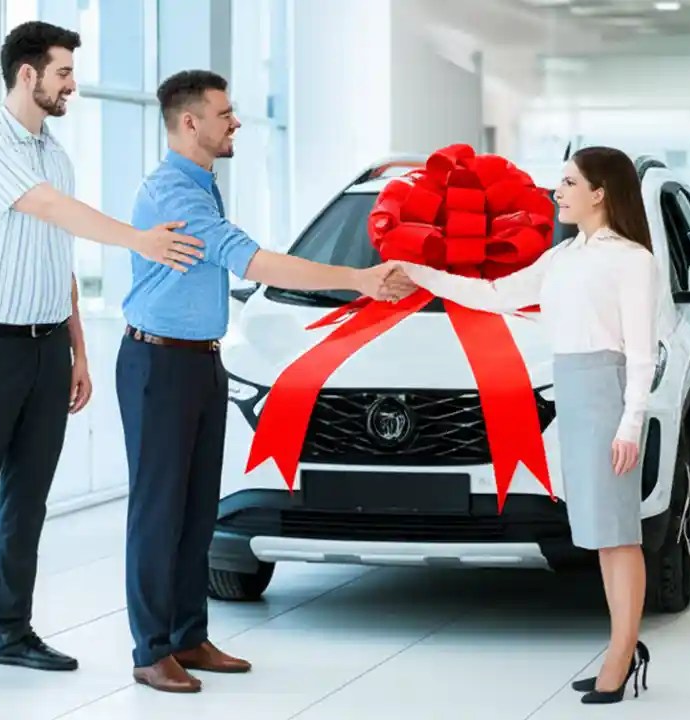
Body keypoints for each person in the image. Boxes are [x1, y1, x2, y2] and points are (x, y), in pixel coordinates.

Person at [0, 21, 204, 694]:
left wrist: (77, 350)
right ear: (27, 75)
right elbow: (50, 210)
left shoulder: (57, 153)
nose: (72, 83)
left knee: (27, 499)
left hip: (47, 346)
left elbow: (58, 258)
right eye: (64, 72)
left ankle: (11, 632)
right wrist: (138, 239)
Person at [118, 69, 404, 694]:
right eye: (225, 113)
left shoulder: (202, 183)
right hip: (158, 363)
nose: (236, 122)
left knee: (197, 507)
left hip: (198, 359)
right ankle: (150, 649)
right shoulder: (175, 192)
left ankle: (189, 635)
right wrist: (356, 279)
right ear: (190, 123)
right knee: (157, 509)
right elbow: (250, 260)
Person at [388, 147, 657, 706]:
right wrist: (420, 274)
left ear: (600, 193)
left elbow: (641, 352)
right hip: (573, 390)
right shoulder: (563, 257)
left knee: (617, 533)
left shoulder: (632, 259)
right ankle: (622, 647)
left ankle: (621, 653)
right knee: (598, 532)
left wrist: (631, 423)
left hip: (607, 393)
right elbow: (493, 295)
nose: (556, 192)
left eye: (567, 182)